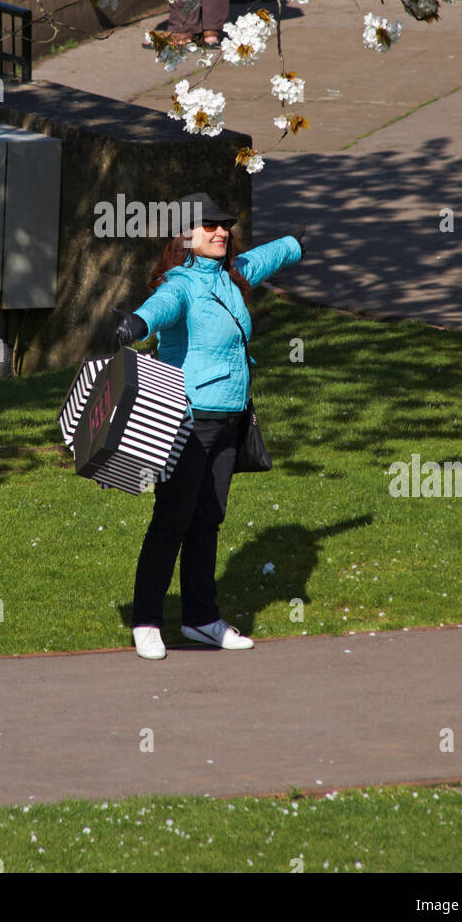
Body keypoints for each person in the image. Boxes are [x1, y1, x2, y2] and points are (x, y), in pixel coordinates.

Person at [113, 191, 305, 660]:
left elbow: (265, 256)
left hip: (229, 418)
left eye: (225, 226)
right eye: (209, 226)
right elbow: (161, 307)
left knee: (209, 520)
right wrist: (137, 323)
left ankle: (201, 618)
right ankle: (147, 621)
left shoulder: (232, 275)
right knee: (172, 521)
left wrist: (298, 242)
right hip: (189, 420)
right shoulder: (181, 284)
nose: (221, 232)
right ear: (186, 236)